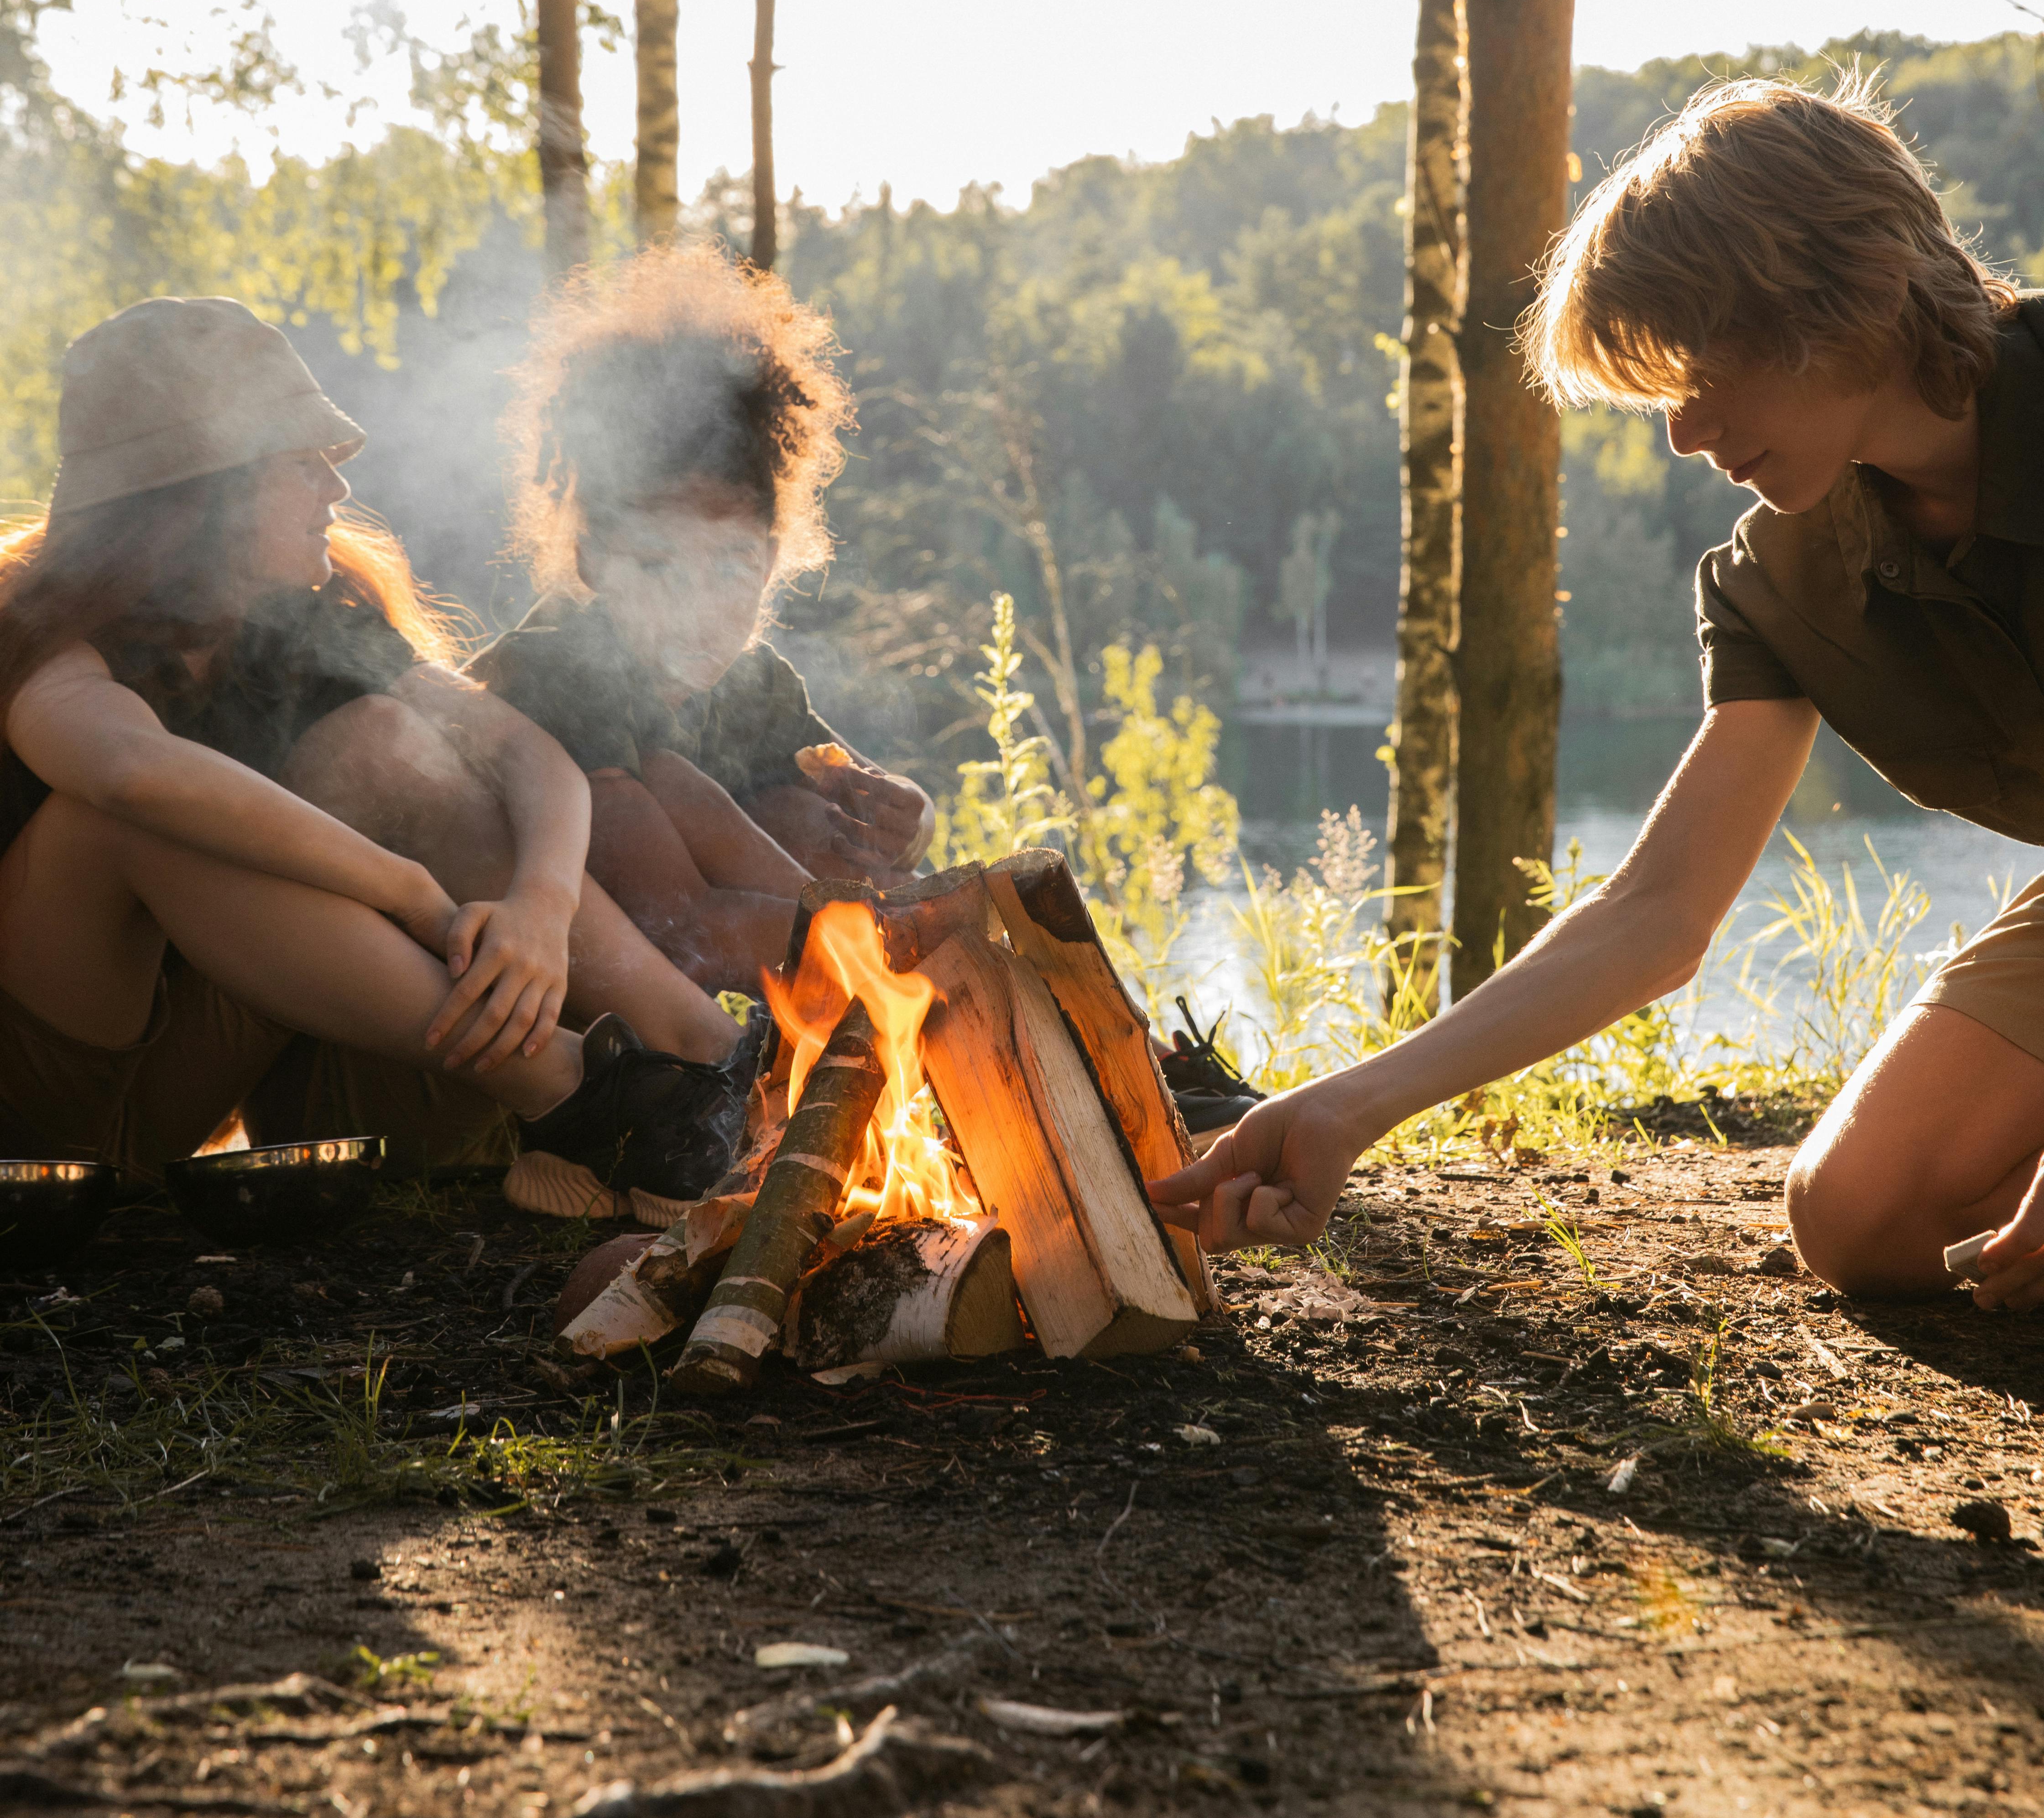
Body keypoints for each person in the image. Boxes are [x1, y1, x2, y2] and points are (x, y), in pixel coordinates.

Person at [1152, 72, 2044, 1307]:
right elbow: (1656, 912)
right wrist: (1348, 1106)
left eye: (1698, 367)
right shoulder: (1777, 585)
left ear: (1831, 297)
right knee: (1856, 1219)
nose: (1681, 433)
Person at [0, 295, 761, 1222]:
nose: (337, 490)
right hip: (35, 1119)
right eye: (303, 463)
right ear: (205, 492)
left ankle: (698, 1063)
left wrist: (539, 907)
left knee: (380, 745)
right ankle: (571, 1092)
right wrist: (406, 891)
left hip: (181, 1094)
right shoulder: (42, 638)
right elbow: (129, 773)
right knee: (118, 821)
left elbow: (523, 753)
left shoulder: (292, 627)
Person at [472, 246, 936, 998]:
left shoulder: (755, 685)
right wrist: (898, 959)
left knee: (814, 815)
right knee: (679, 783)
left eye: (729, 567)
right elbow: (683, 926)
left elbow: (866, 820)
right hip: (528, 998)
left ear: (771, 560)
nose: (700, 607)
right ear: (593, 560)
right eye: (659, 568)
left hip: (665, 976)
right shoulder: (561, 670)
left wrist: (911, 817)